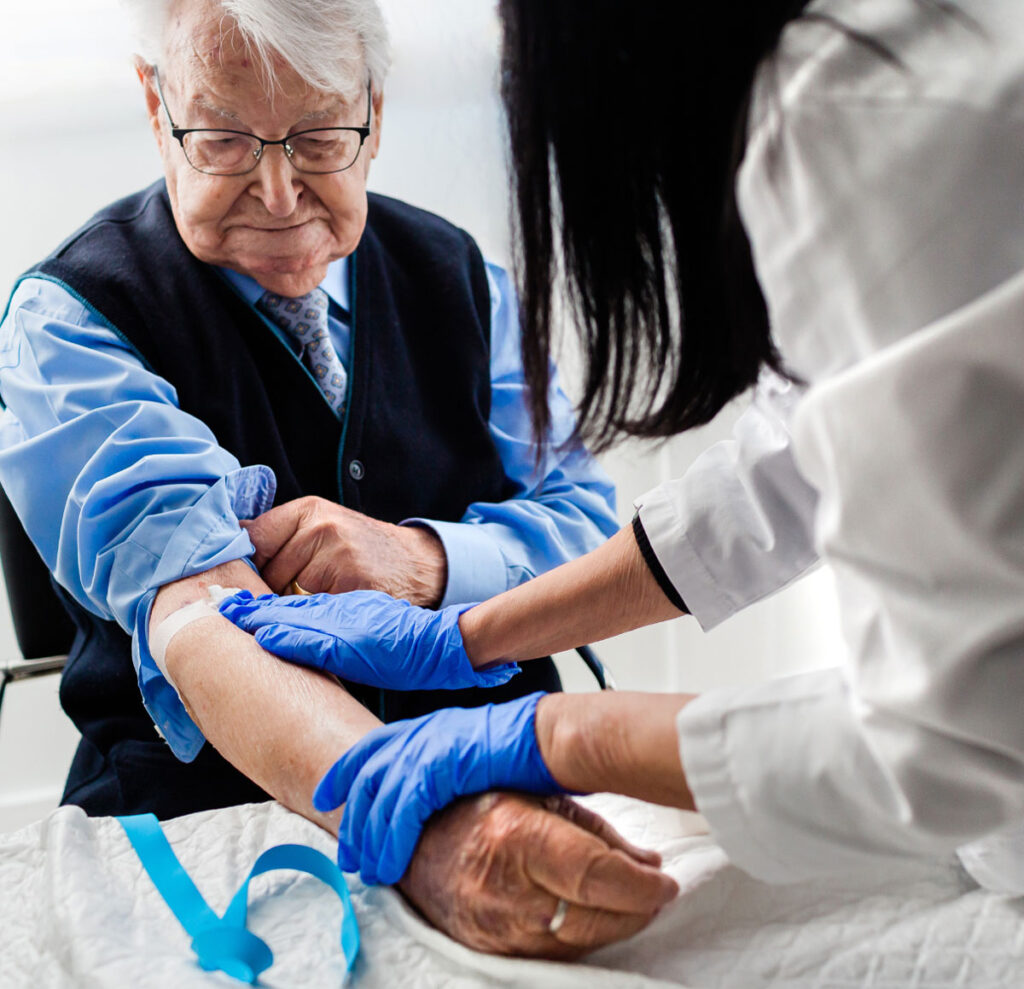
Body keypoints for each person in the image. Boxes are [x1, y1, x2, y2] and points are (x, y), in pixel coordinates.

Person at [220, 0, 1024, 906]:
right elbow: (795, 459)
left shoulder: (860, 116)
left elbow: (954, 739)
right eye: (220, 136)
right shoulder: (900, 68)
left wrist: (562, 733)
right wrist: (469, 636)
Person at [0, 0, 681, 959]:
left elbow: (588, 525)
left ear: (374, 114)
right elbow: (201, 609)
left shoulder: (466, 281)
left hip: (514, 775)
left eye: (320, 136)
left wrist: (427, 561)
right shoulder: (70, 321)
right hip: (215, 819)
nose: (279, 193)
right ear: (157, 108)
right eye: (225, 139)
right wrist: (410, 817)